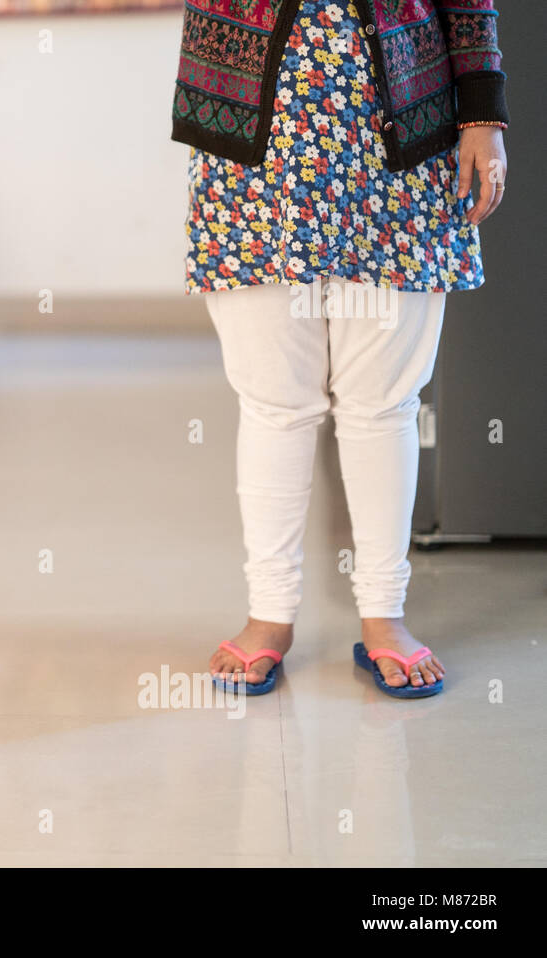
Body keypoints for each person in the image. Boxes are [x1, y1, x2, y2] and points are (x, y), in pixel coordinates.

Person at [171, 0, 509, 697]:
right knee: (273, 401)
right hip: (252, 141)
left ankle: (385, 615)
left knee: (385, 402)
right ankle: (270, 614)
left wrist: (483, 117)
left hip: (407, 135)